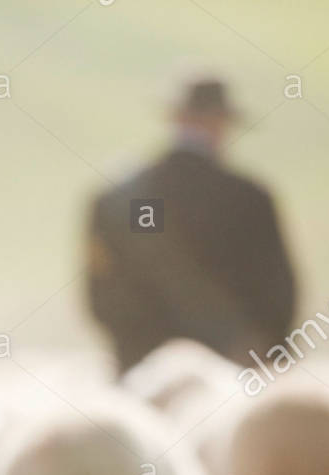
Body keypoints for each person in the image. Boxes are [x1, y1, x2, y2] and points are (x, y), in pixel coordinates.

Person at [86, 76, 298, 373]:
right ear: (223, 121)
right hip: (232, 370)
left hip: (142, 370)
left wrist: (138, 348)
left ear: (173, 116)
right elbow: (278, 291)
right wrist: (262, 351)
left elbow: (106, 290)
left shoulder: (130, 198)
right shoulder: (249, 197)